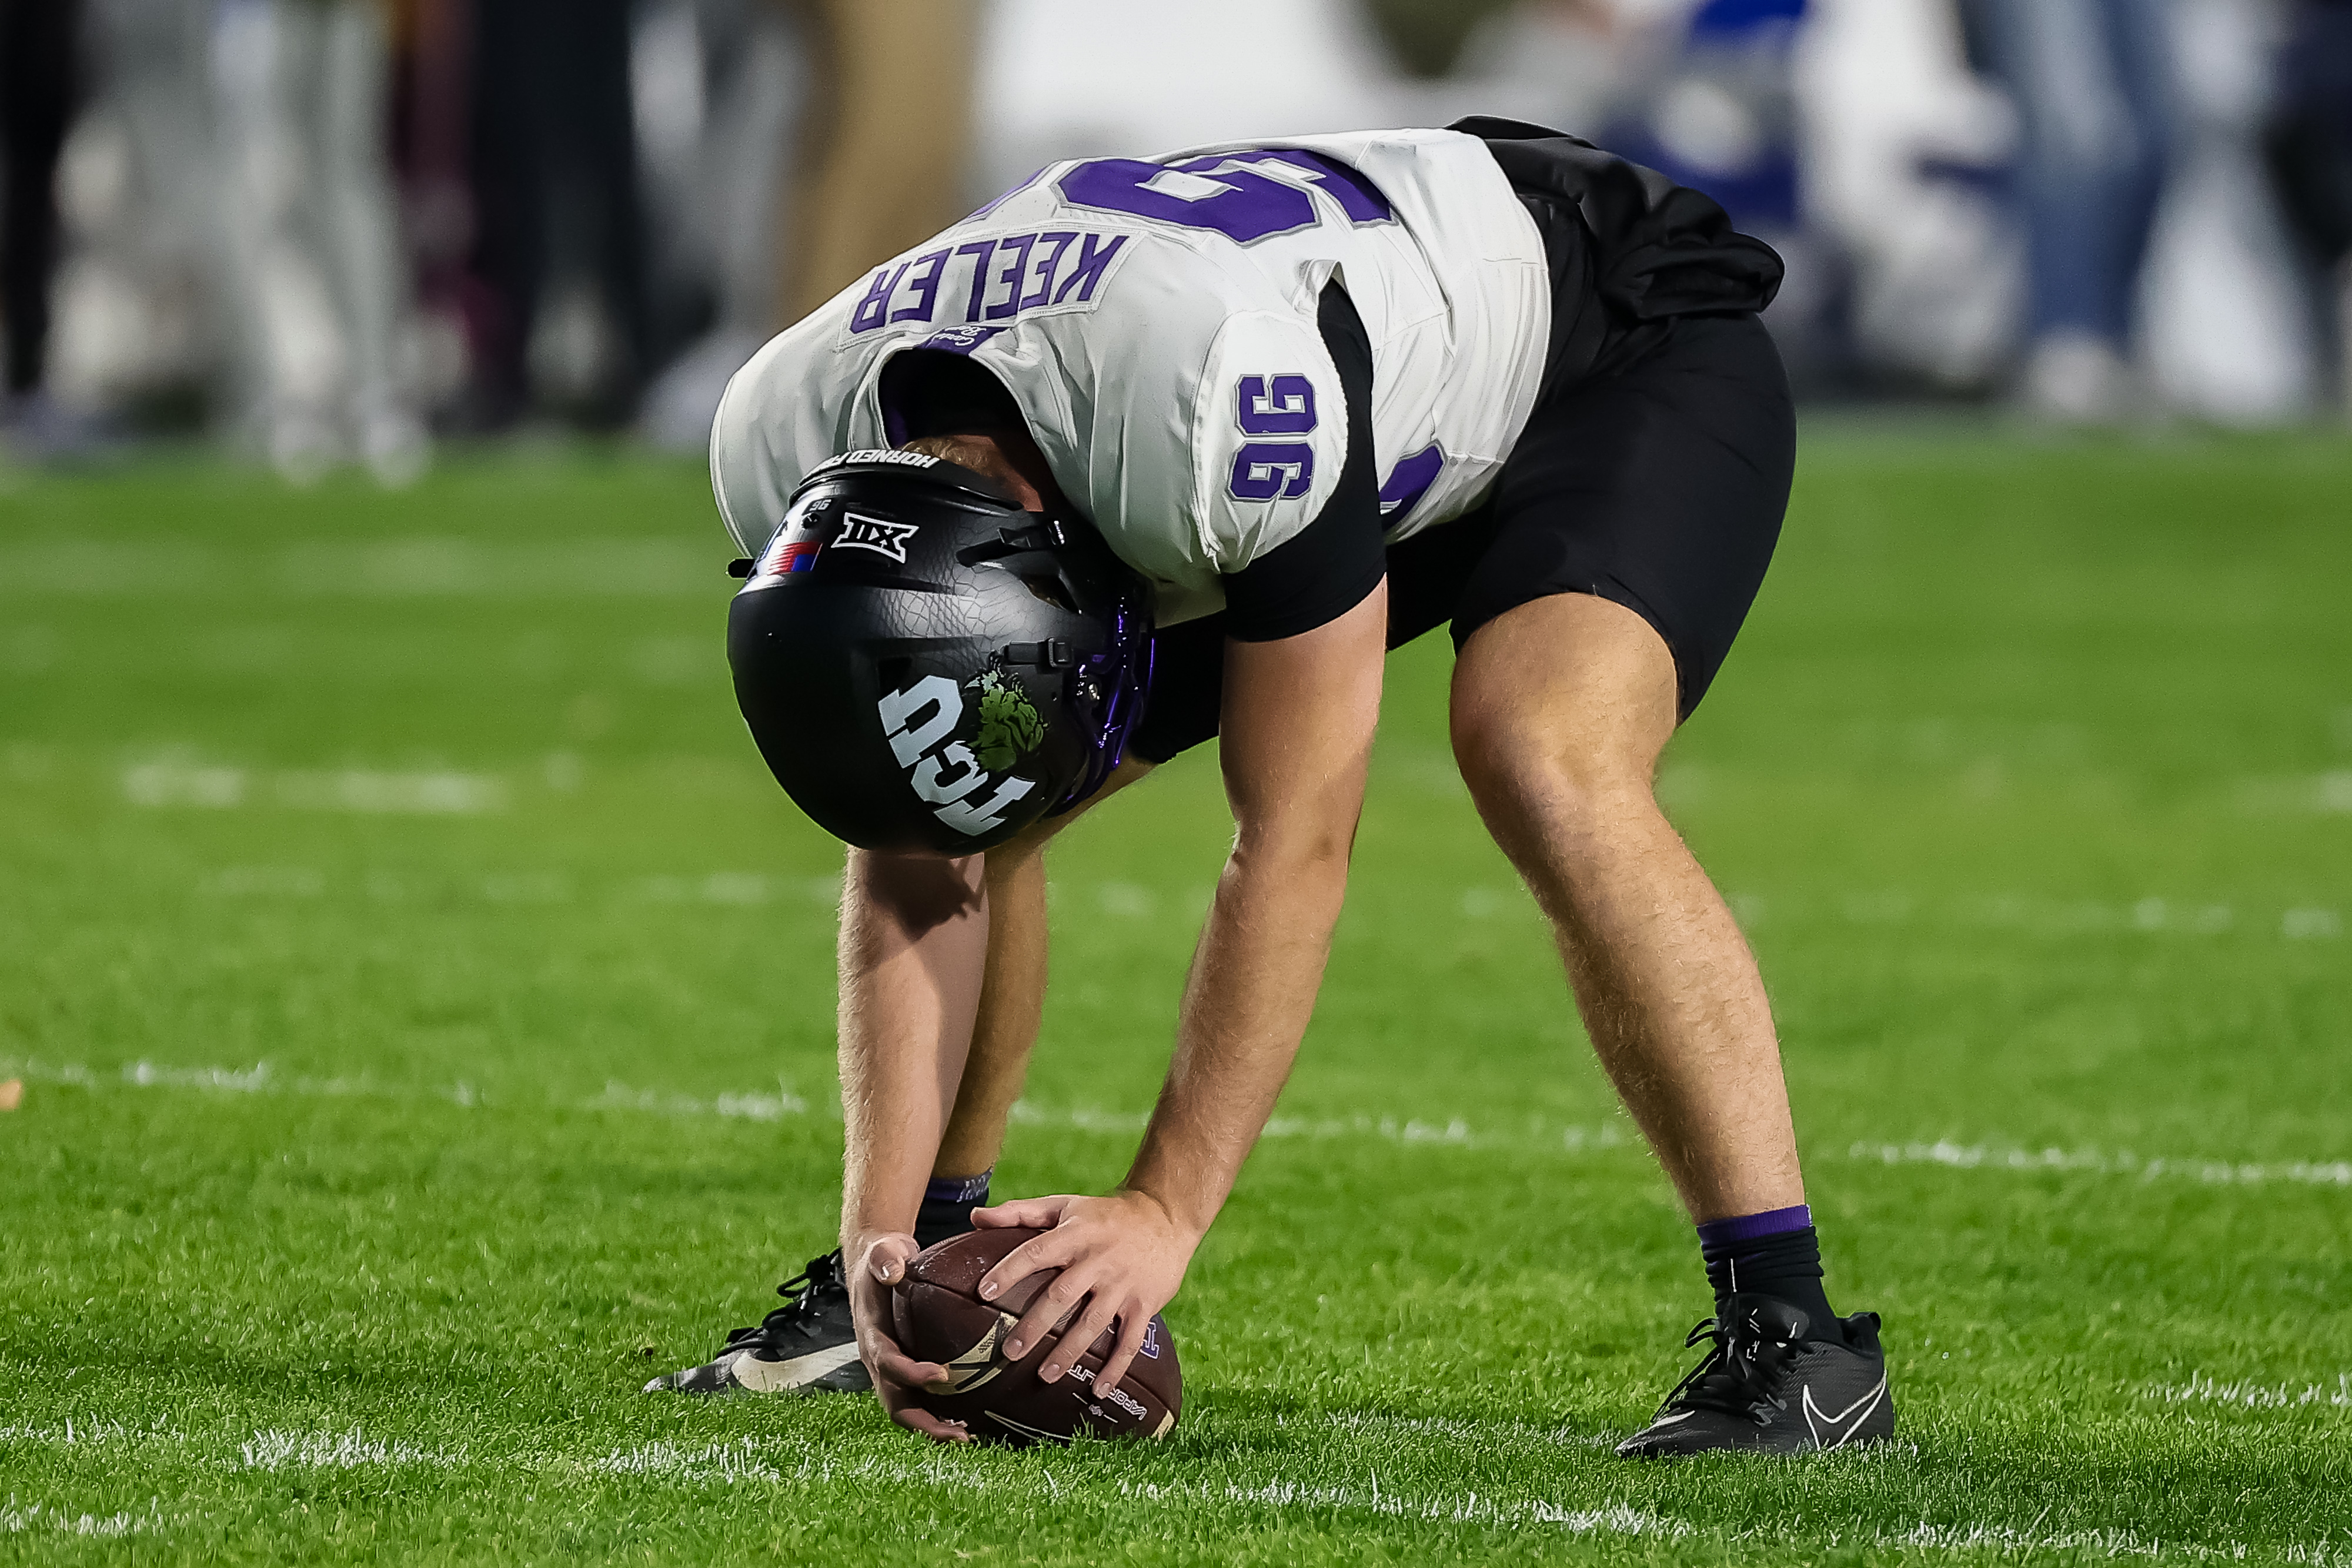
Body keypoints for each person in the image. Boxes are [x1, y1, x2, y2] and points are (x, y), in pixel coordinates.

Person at [649, 119, 1896, 1457]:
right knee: (969, 785)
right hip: (1268, 393)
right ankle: (912, 1268)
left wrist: (1162, 1210)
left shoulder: (1210, 413)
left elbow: (1295, 831)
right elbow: (918, 830)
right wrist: (881, 1241)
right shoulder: (779, 431)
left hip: (1596, 340)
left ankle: (1799, 1341)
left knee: (1538, 748)